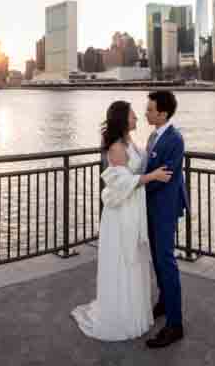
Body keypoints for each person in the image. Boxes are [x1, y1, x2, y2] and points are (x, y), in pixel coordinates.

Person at [71, 100, 170, 341]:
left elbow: (140, 162)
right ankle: (120, 316)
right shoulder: (116, 147)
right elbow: (123, 182)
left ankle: (135, 311)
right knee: (124, 258)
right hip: (121, 212)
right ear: (123, 120)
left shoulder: (130, 142)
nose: (137, 118)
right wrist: (153, 176)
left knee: (135, 258)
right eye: (133, 115)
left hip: (133, 208)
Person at [143, 90, 187, 348]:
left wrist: (134, 187)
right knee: (157, 259)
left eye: (149, 109)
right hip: (151, 207)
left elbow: (165, 175)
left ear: (162, 113)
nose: (146, 113)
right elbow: (151, 170)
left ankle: (175, 324)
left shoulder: (174, 139)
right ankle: (163, 301)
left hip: (164, 209)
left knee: (166, 261)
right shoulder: (153, 136)